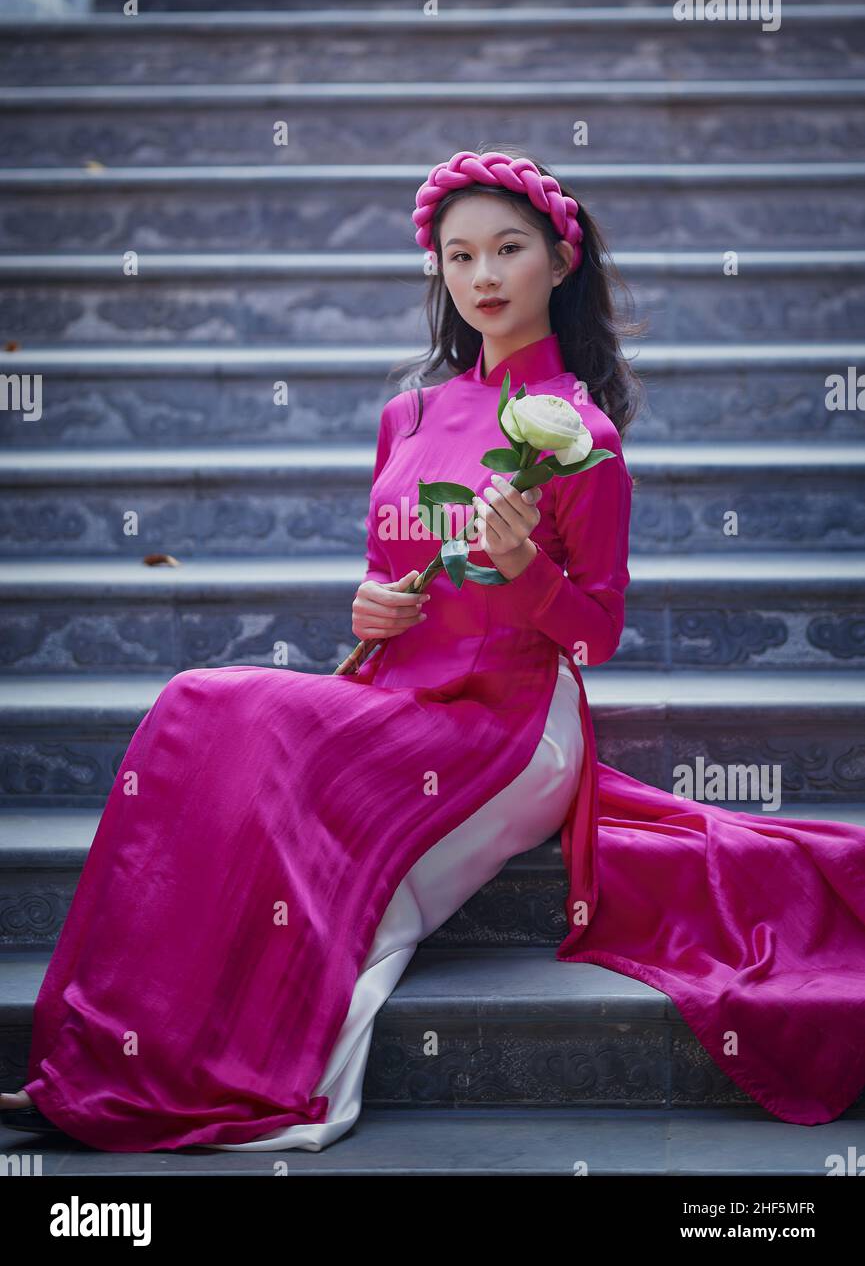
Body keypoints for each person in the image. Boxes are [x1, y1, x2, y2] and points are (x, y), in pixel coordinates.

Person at [3, 147, 864, 1152]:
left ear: (559, 262)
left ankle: (252, 1074)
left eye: (507, 250)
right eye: (460, 257)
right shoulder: (406, 413)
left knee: (226, 707)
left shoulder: (581, 438)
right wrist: (372, 610)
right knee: (202, 707)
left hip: (510, 726)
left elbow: (596, 631)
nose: (484, 277)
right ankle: (103, 1060)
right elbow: (390, 575)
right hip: (397, 692)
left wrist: (526, 570)